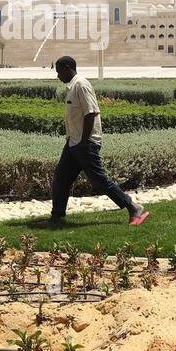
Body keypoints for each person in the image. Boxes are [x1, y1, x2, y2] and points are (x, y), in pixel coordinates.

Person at [35, 55, 149, 228]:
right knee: (61, 178)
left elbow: (91, 113)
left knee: (99, 179)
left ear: (67, 68)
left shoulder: (81, 84)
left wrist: (84, 141)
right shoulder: (72, 86)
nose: (57, 76)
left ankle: (133, 207)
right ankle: (56, 218)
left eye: (58, 71)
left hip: (84, 143)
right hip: (74, 142)